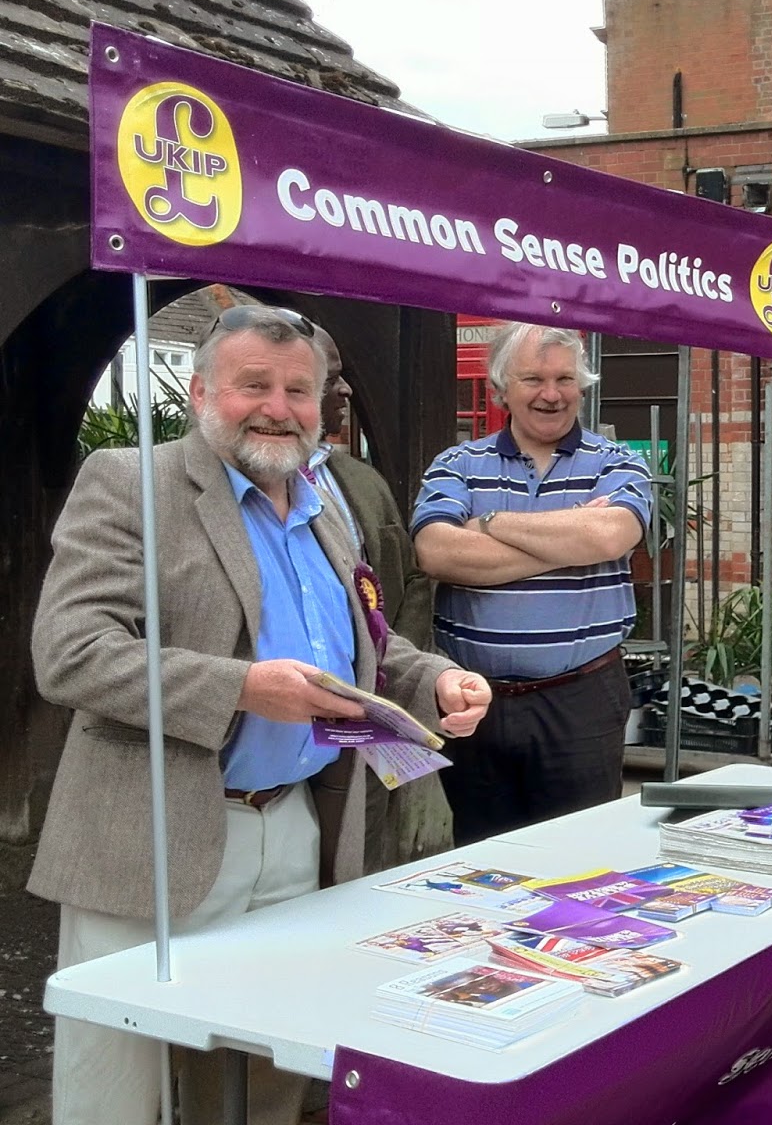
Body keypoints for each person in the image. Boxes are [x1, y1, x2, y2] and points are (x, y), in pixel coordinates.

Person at [29, 304, 492, 1125]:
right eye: (255, 386)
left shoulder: (325, 503)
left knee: (262, 1068)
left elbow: (366, 651)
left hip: (297, 828)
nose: (279, 407)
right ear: (202, 390)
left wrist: (438, 682)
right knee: (118, 1086)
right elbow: (70, 650)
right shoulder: (131, 480)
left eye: (299, 390)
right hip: (152, 831)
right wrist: (241, 688)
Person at [412, 322, 652, 845]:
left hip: (581, 698)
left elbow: (611, 535)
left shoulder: (618, 462)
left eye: (565, 378)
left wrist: (489, 524)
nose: (551, 394)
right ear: (501, 390)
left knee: (581, 856)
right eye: (533, 379)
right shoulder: (457, 463)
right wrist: (568, 542)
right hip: (476, 698)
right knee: (481, 859)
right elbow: (435, 551)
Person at [305, 324, 451, 872]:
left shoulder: (360, 483)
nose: (346, 393)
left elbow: (403, 601)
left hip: (363, 738)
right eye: (332, 380)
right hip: (271, 746)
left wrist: (414, 741)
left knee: (358, 878)